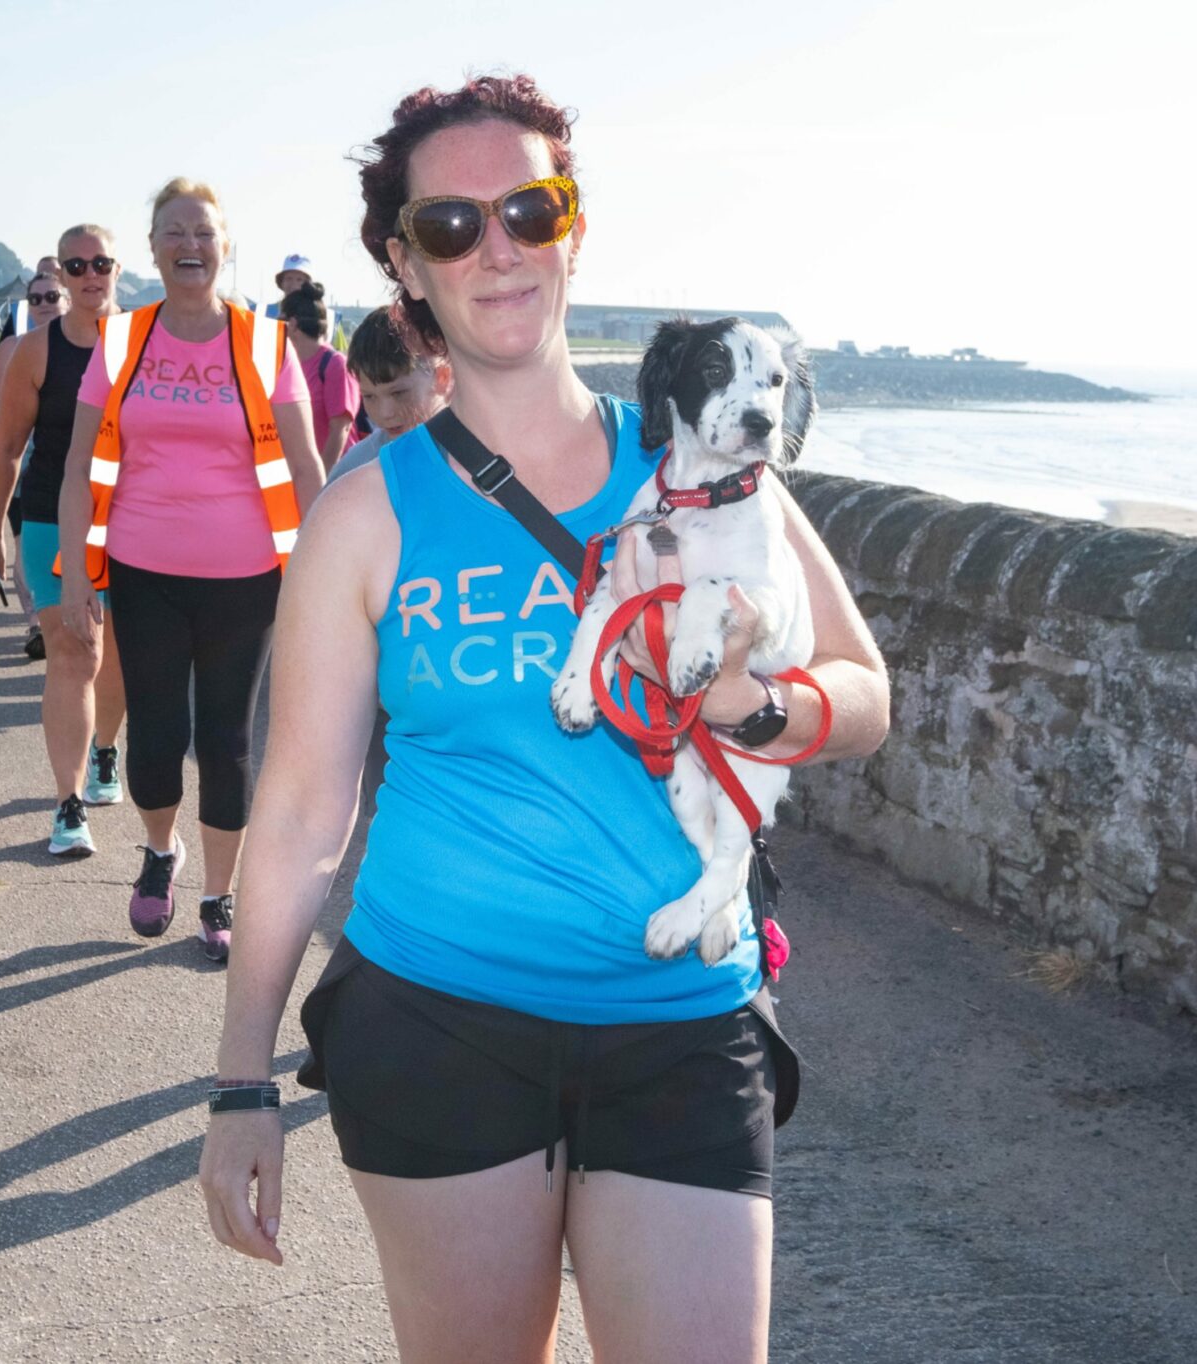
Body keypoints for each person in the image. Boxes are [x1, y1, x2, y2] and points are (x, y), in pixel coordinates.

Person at [197, 75, 891, 1361]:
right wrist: (241, 1077)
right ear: (405, 268)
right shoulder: (365, 514)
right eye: (451, 227)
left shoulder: (709, 466)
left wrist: (751, 704)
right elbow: (298, 811)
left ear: (575, 227)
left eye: (530, 206)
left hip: (683, 1018)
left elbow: (861, 695)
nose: (498, 246)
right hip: (438, 1020)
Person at [58, 178, 323, 961]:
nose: (189, 246)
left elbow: (309, 470)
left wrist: (319, 578)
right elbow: (76, 464)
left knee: (226, 741)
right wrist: (77, 573)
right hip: (141, 568)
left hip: (248, 578)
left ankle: (217, 892)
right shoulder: (122, 341)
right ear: (153, 248)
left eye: (203, 233)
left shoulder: (266, 345)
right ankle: (158, 850)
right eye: (174, 232)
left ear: (225, 246)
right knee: (155, 734)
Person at [0, 226, 128, 858]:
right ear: (60, 275)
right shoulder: (36, 352)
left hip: (132, 519)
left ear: (117, 268)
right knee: (75, 656)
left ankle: (105, 752)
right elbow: (7, 447)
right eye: (76, 264)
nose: (90, 273)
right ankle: (68, 806)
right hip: (46, 519)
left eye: (101, 262)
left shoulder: (145, 343)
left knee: (118, 659)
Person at [0, 271, 70, 657]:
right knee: (23, 546)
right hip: (23, 465)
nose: (44, 303)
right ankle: (37, 624)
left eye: (51, 296)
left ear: (66, 299)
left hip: (68, 466)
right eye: (36, 298)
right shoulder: (13, 346)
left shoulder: (90, 341)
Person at [323, 306, 451, 485]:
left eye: (398, 393)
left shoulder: (487, 451)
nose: (384, 413)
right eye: (368, 397)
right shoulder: (354, 470)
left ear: (442, 378)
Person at [279, 281, 359, 466]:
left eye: (279, 320)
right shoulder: (287, 365)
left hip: (339, 477)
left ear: (292, 324)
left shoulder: (335, 364)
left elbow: (341, 429)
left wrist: (322, 484)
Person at [263, 252, 312, 318]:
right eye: (289, 278)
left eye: (299, 280)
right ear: (281, 282)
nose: (294, 284)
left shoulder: (317, 314)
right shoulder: (264, 312)